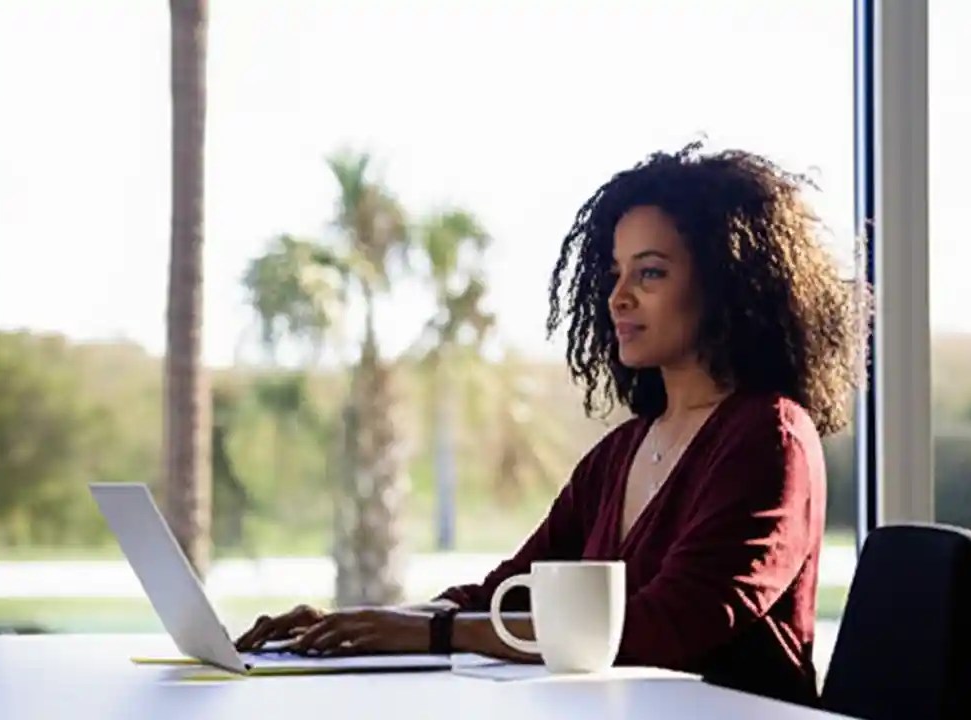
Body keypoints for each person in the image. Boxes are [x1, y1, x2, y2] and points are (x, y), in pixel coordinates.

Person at [235, 142, 867, 706]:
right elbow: (507, 594)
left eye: (650, 272)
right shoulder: (621, 452)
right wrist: (355, 625)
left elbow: (661, 630)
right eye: (614, 274)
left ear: (729, 283)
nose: (618, 297)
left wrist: (432, 632)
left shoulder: (768, 438)